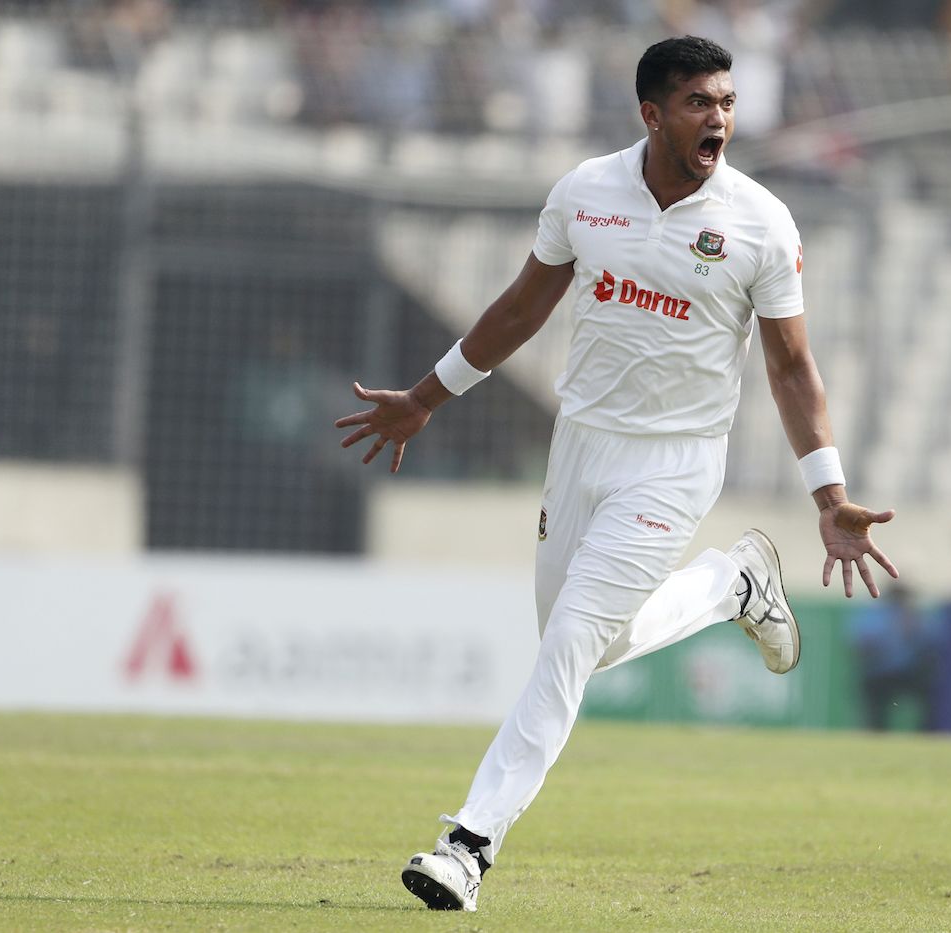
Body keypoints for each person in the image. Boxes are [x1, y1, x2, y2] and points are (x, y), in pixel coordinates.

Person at [334, 36, 898, 913]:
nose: (719, 118)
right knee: (582, 643)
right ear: (652, 113)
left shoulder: (760, 221)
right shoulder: (585, 193)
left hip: (675, 464)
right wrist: (425, 398)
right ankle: (730, 585)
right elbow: (521, 307)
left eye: (727, 102)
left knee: (568, 644)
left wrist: (829, 495)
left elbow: (792, 368)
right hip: (582, 445)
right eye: (700, 102)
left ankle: (468, 845)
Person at [848, 583, 941, 731]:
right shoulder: (877, 615)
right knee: (874, 700)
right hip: (880, 672)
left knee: (932, 694)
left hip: (910, 672)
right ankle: (875, 732)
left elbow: (933, 641)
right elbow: (861, 642)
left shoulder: (917, 616)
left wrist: (915, 629)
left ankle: (927, 732)